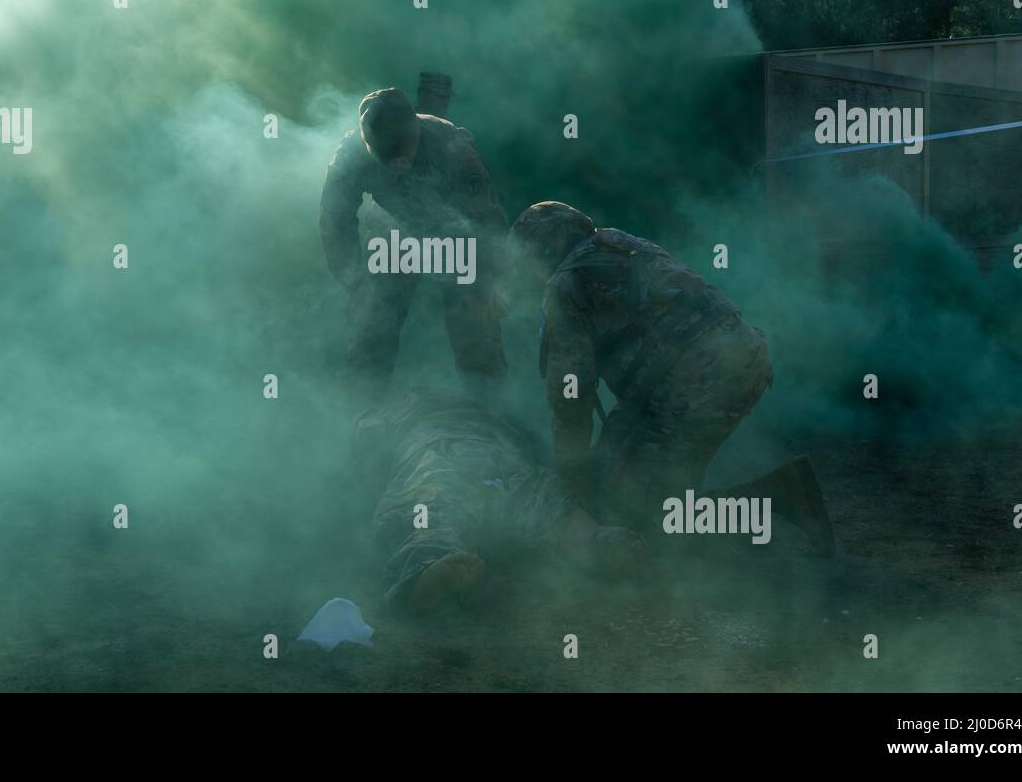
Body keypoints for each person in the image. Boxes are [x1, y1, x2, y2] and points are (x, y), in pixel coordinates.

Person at [508, 200, 836, 554]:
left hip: (692, 383)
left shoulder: (564, 286)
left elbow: (571, 395)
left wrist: (570, 477)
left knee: (650, 519)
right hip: (733, 360)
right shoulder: (623, 243)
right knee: (613, 475)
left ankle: (778, 500)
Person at [351, 390, 646, 614]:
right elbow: (538, 456)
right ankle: (593, 539)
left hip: (439, 453)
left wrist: (377, 490)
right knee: (548, 502)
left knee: (432, 508)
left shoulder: (387, 412)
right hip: (506, 462)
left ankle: (428, 568)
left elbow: (369, 463)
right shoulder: (491, 411)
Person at [319, 86, 508, 407]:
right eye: (386, 156)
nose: (399, 164)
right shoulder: (348, 159)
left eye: (403, 152)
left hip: (455, 235)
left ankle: (491, 407)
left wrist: (494, 279)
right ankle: (359, 413)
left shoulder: (452, 147)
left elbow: (488, 219)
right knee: (373, 322)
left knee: (475, 325)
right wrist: (356, 283)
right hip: (395, 233)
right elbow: (335, 225)